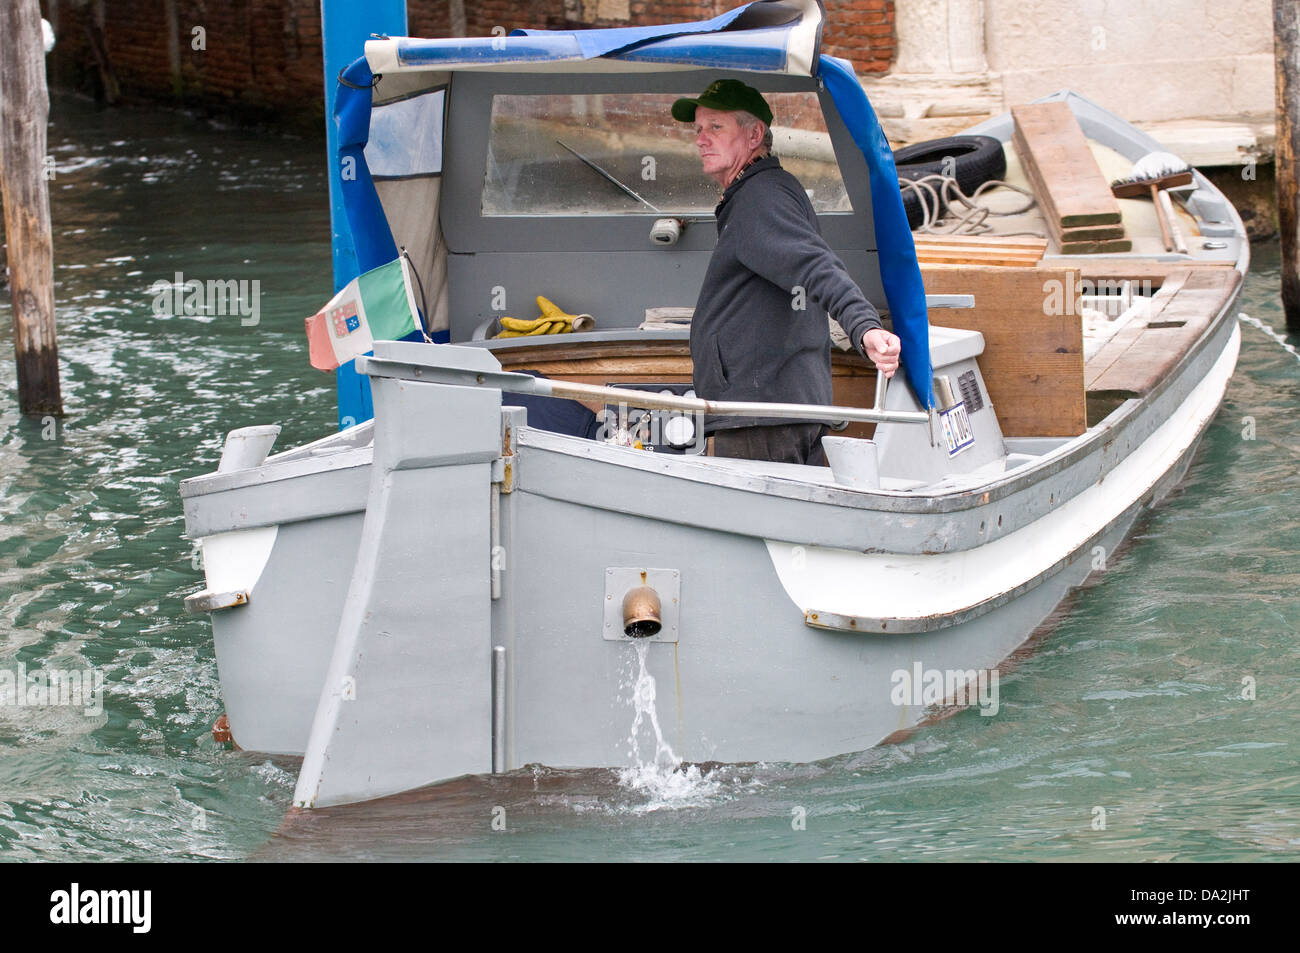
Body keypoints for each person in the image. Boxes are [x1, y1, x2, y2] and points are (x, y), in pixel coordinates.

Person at [671, 79, 902, 466]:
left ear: (754, 135)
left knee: (757, 524)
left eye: (715, 127)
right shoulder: (767, 191)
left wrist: (865, 327)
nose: (701, 139)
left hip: (763, 415)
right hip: (778, 407)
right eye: (697, 130)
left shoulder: (761, 199)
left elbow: (814, 264)